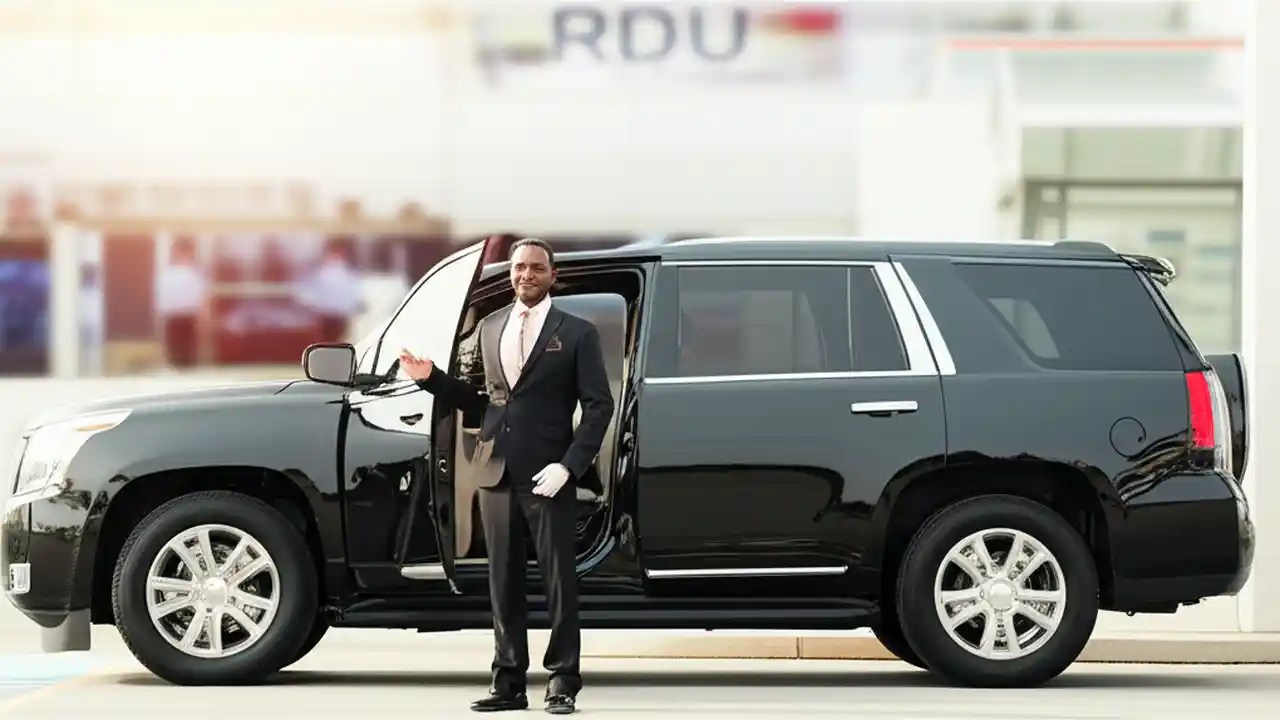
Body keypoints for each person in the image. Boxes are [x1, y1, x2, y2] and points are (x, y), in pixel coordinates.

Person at [399, 237, 613, 715]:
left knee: (559, 579)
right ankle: (509, 682)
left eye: (537, 267)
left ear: (552, 275)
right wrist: (432, 377)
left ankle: (562, 680)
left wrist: (569, 466)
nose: (526, 275)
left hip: (549, 474)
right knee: (503, 580)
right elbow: (485, 403)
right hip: (495, 472)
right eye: (519, 267)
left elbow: (599, 407)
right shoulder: (491, 326)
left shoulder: (578, 332)